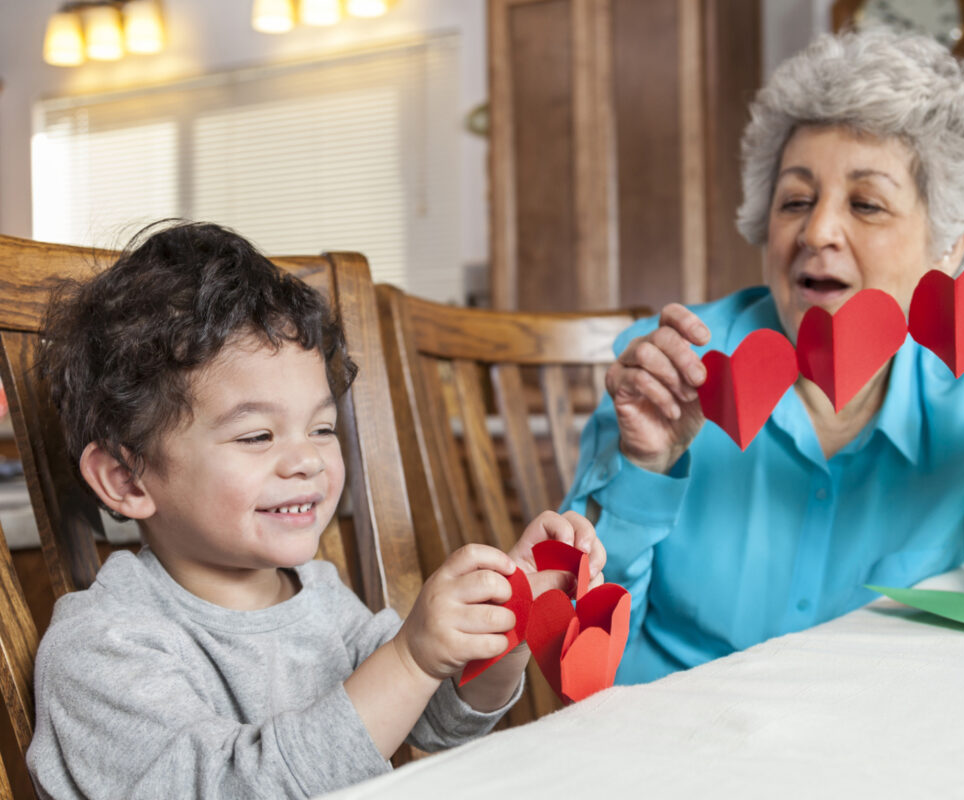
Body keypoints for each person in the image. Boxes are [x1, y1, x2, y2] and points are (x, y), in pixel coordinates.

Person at [563, 29, 964, 685]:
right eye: (796, 201)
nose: (816, 232)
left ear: (950, 247)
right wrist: (644, 467)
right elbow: (581, 659)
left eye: (866, 204)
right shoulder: (674, 376)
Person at [26, 221, 606, 799]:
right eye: (256, 436)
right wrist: (408, 661)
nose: (307, 460)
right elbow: (234, 789)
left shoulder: (319, 595)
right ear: (126, 478)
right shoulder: (103, 645)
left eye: (322, 427)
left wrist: (511, 619)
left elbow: (440, 723)